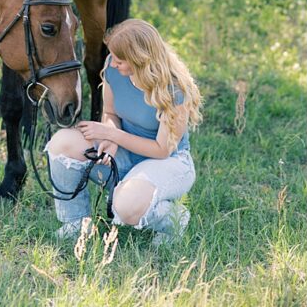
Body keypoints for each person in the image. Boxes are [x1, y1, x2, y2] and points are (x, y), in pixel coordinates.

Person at [45, 18, 202, 244]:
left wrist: (113, 136)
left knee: (126, 207)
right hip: (126, 152)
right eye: (113, 57)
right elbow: (110, 113)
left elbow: (161, 150)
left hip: (168, 163)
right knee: (63, 143)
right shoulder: (113, 67)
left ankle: (174, 219)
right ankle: (77, 223)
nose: (113, 63)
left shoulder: (173, 89)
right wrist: (110, 138)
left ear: (140, 59)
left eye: (120, 60)